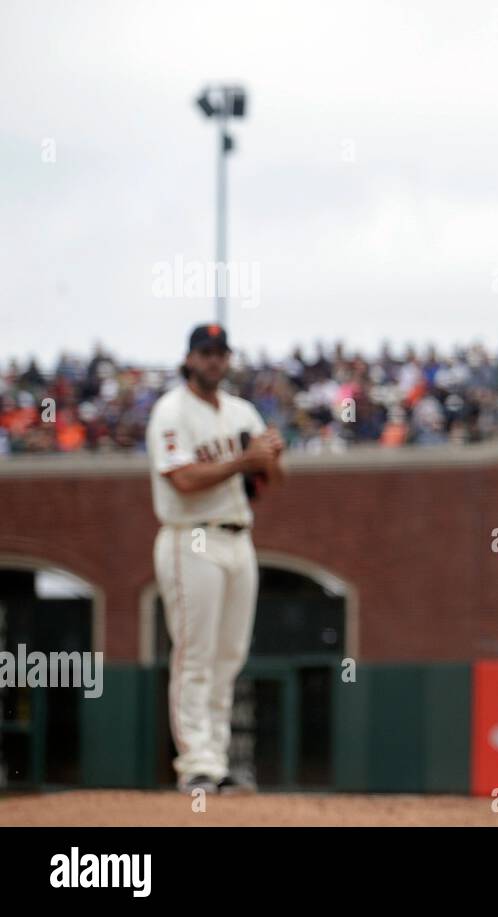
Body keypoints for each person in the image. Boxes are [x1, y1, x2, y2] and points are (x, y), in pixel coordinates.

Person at [145, 324, 284, 793]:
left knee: (229, 656)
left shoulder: (242, 411)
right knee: (195, 654)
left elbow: (266, 485)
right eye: (205, 353)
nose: (213, 361)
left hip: (238, 534)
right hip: (192, 537)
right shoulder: (171, 411)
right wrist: (245, 460)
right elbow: (182, 479)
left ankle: (217, 762)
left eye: (220, 353)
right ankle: (196, 765)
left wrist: (270, 458)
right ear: (189, 359)